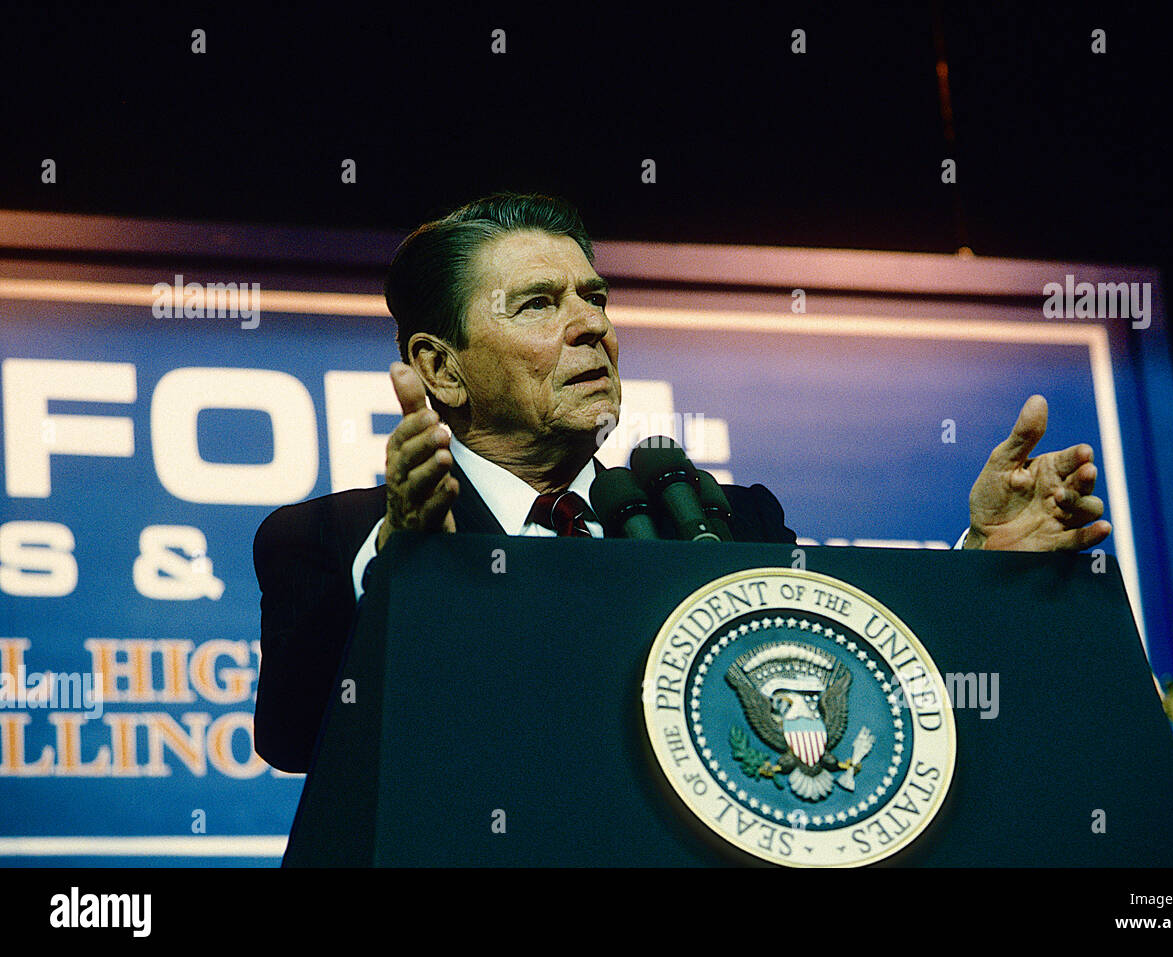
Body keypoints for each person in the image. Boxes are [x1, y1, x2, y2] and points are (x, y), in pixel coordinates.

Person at [252, 192, 1111, 773]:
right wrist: (405, 551)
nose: (591, 325)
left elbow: (856, 686)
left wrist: (985, 565)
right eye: (539, 304)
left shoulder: (724, 517)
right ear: (439, 368)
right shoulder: (325, 540)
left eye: (595, 297)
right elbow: (296, 738)